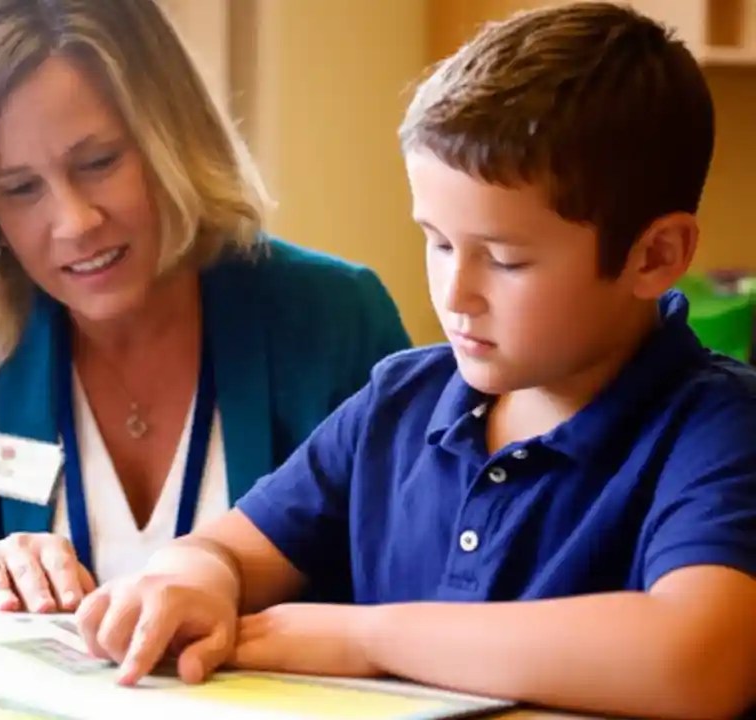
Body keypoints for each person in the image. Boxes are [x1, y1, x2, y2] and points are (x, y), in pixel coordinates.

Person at [73, 4, 756, 719]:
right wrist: (192, 578)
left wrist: (369, 638)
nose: (455, 293)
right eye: (436, 242)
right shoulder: (400, 399)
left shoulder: (717, 428)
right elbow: (231, 552)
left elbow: (697, 658)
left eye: (504, 260)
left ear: (656, 256)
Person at [0, 0, 410, 614]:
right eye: (21, 189)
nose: (75, 222)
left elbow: (414, 603)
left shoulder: (334, 316)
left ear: (172, 137)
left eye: (99, 163)